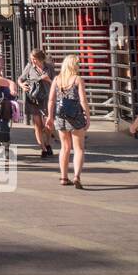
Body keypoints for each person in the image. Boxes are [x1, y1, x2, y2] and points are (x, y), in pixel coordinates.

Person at [47, 53, 90, 188]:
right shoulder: (77, 79)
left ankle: (64, 177)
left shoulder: (57, 79)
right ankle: (76, 176)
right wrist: (87, 116)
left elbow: (51, 100)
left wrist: (50, 116)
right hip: (75, 115)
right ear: (73, 65)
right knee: (79, 148)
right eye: (77, 64)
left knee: (64, 148)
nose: (79, 66)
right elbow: (83, 100)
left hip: (61, 116)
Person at [18, 48, 56, 158]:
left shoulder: (49, 67)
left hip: (46, 98)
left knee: (47, 124)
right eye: (31, 59)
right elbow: (20, 79)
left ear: (40, 58)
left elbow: (56, 82)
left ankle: (48, 143)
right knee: (38, 125)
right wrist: (22, 85)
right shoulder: (30, 67)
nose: (33, 61)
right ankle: (43, 148)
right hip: (33, 98)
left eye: (34, 59)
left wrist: (48, 79)